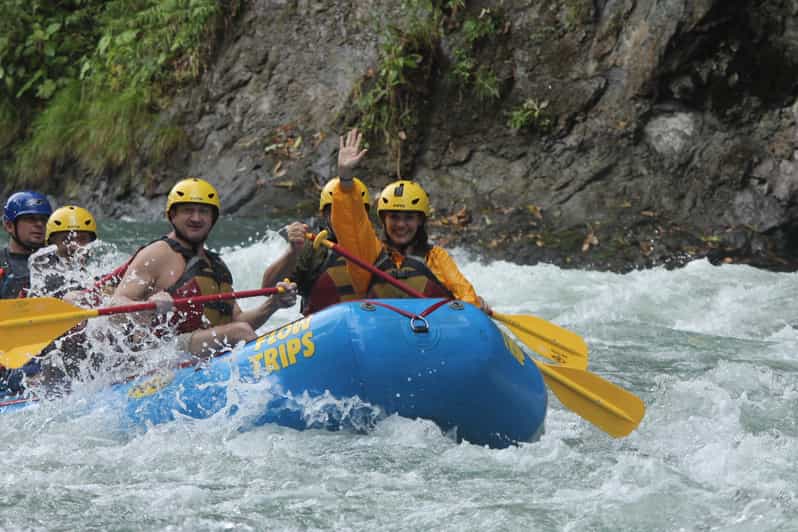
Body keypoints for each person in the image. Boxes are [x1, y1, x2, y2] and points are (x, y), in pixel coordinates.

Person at [111, 177, 298, 357]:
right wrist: (146, 306)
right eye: (188, 210)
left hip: (200, 350)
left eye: (203, 211)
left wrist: (273, 304)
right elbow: (115, 304)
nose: (196, 217)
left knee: (243, 330)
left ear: (213, 218)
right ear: (173, 216)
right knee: (240, 333)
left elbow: (236, 320)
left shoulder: (216, 265)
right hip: (162, 351)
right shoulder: (157, 253)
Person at [330, 129, 490, 310]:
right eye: (394, 217)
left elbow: (464, 293)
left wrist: (475, 307)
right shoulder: (370, 254)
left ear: (420, 221)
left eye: (409, 218)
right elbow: (351, 224)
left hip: (430, 334)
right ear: (384, 220)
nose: (401, 225)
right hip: (379, 332)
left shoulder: (436, 258)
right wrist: (345, 179)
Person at [260, 176, 371, 315]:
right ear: (325, 215)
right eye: (338, 211)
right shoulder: (314, 249)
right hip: (322, 328)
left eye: (354, 210)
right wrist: (292, 251)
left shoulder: (380, 249)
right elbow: (267, 287)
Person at [0, 191, 53, 299]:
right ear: (9, 226)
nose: (39, 224)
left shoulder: (60, 262)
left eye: (44, 219)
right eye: (30, 218)